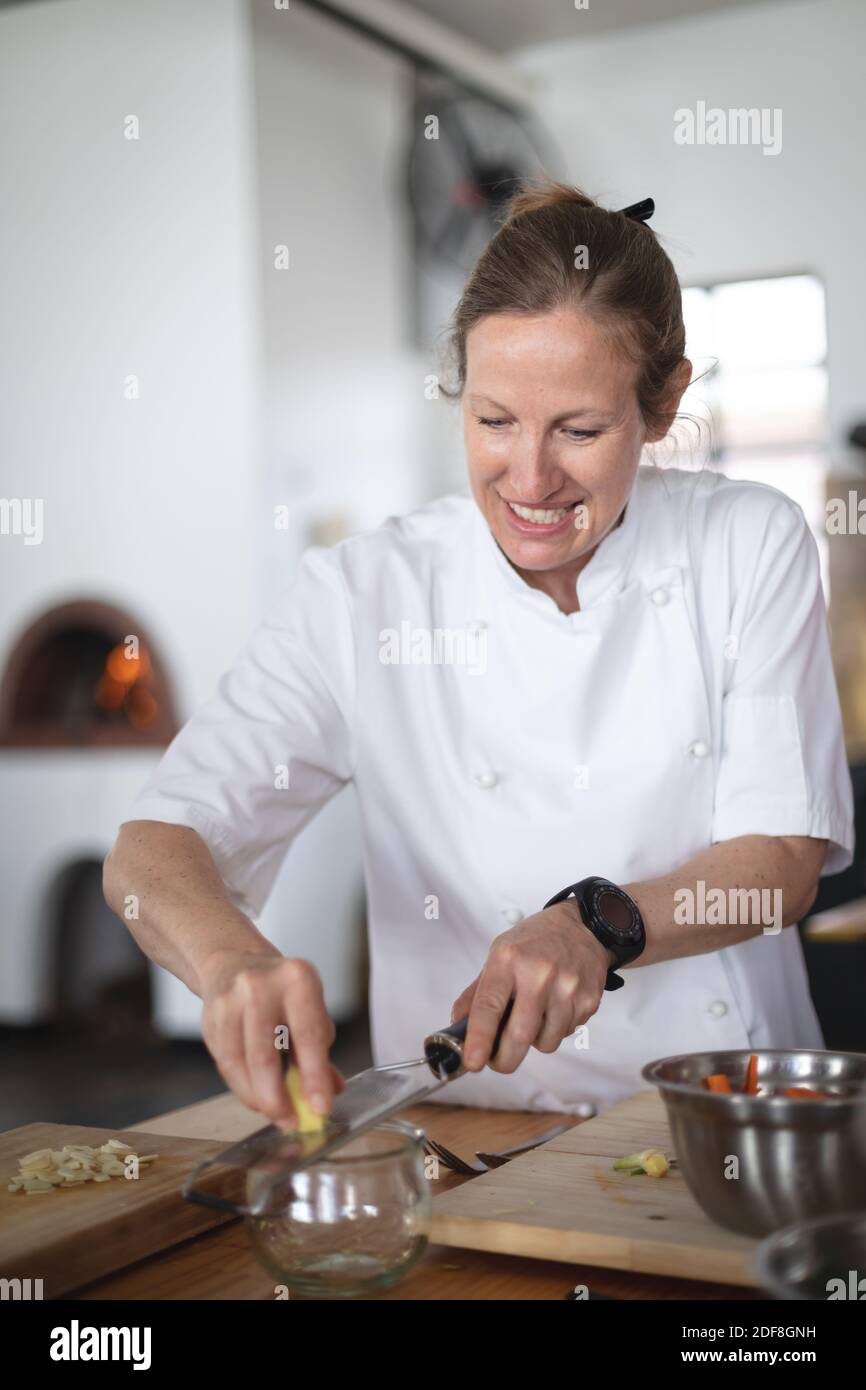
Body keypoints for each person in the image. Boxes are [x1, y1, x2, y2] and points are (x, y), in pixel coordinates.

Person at [104, 180, 854, 1126]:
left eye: (580, 430)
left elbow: (781, 863)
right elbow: (148, 852)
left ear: (663, 405)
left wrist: (595, 925)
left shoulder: (748, 541)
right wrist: (230, 963)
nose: (530, 478)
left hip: (720, 1116)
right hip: (461, 1128)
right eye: (494, 420)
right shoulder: (366, 593)